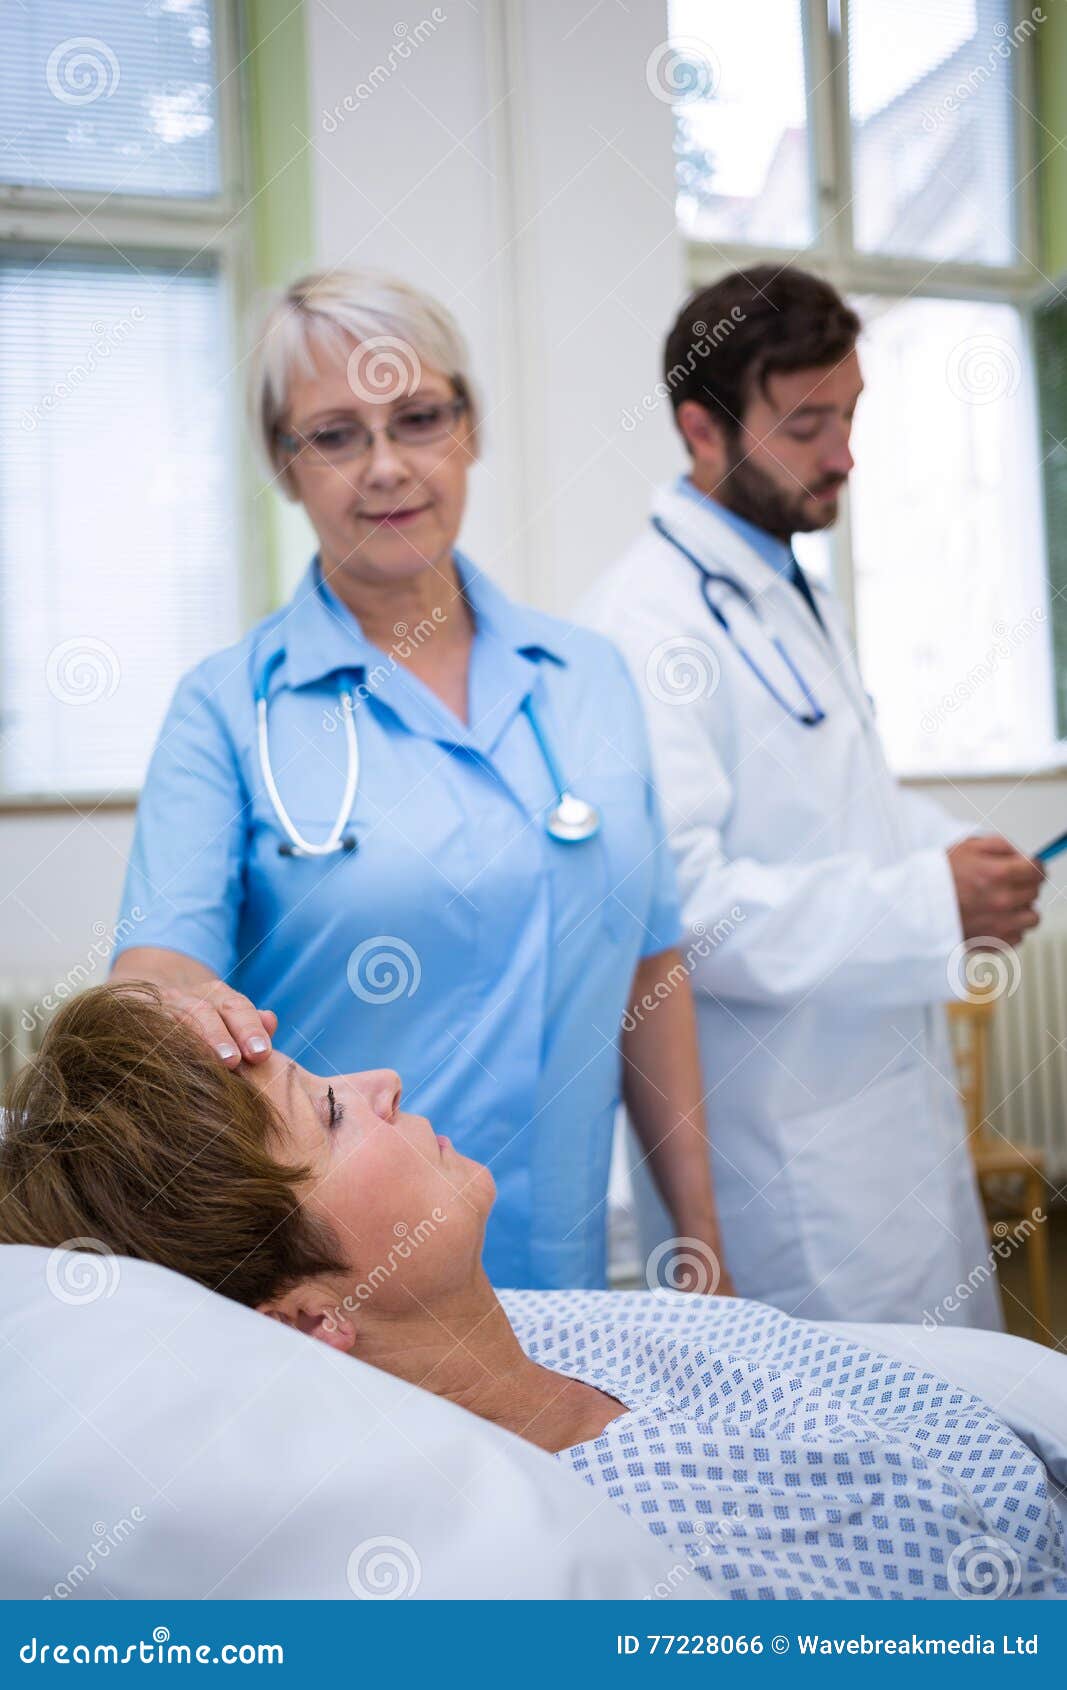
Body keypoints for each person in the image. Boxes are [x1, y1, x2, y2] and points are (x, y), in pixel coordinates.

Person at [1, 983, 1064, 1601]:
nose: (383, 1082)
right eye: (327, 1112)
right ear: (309, 1317)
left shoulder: (555, 1330)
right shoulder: (607, 1549)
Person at [109, 269, 728, 1292]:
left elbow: (648, 973)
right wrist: (160, 1006)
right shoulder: (226, 708)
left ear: (467, 427)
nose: (387, 466)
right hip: (344, 1296)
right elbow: (159, 966)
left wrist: (700, 1240)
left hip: (565, 1269)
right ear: (284, 463)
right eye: (336, 435)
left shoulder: (590, 678)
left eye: (418, 418)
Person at [578, 265, 1044, 1326]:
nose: (842, 456)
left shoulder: (791, 589)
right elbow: (683, 911)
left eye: (849, 416)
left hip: (883, 1118)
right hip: (782, 1157)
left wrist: (960, 857)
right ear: (701, 430)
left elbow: (844, 805)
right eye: (804, 426)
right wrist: (926, 901)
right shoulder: (644, 624)